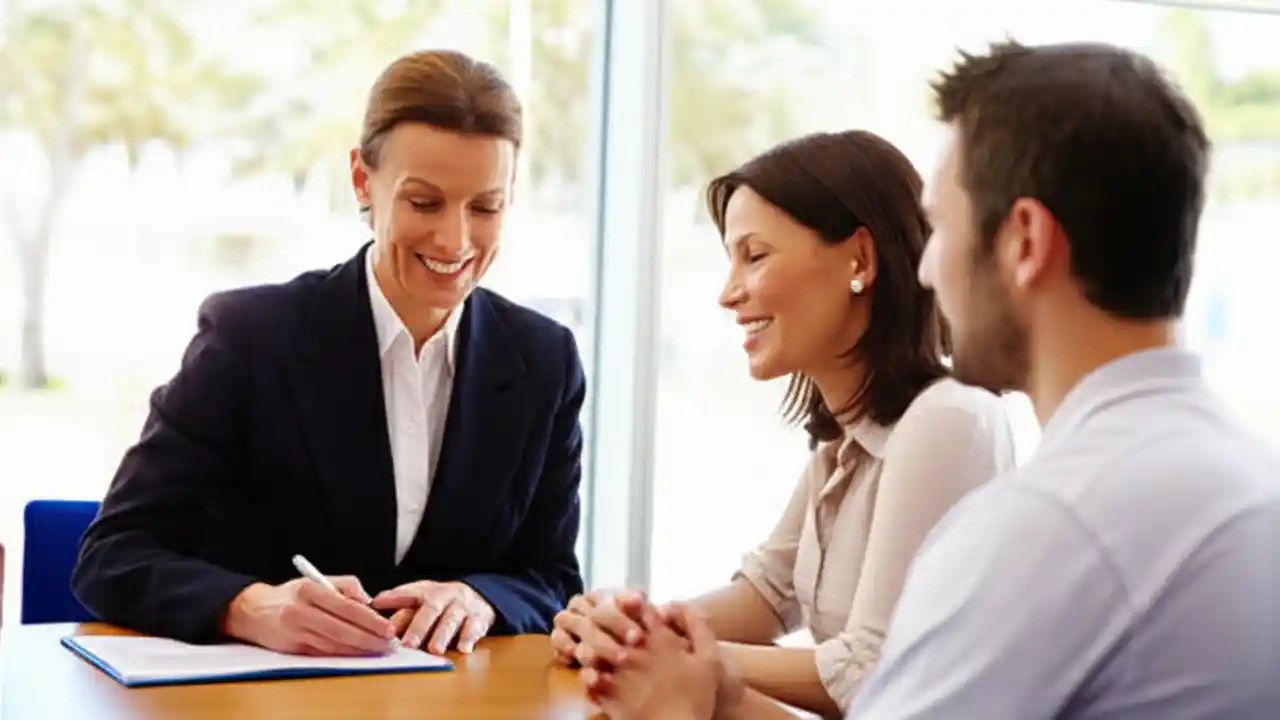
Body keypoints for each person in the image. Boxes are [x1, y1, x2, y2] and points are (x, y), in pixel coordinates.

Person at [572, 41, 1280, 719]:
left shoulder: (1050, 523)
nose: (925, 268)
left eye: (940, 227)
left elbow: (866, 676)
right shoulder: (1237, 472)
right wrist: (701, 679)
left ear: (1025, 243)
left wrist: (688, 697)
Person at [72, 49, 586, 657]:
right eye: (425, 202)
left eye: (485, 207)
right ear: (363, 180)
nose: (456, 239)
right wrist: (250, 606)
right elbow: (112, 555)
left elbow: (552, 577)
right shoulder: (251, 337)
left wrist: (481, 597)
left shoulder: (542, 359)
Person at [553, 130, 1016, 716]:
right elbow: (767, 594)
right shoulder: (845, 438)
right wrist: (628, 627)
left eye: (755, 255)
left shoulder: (948, 420)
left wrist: (671, 659)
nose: (728, 293)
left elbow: (871, 667)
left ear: (860, 260)